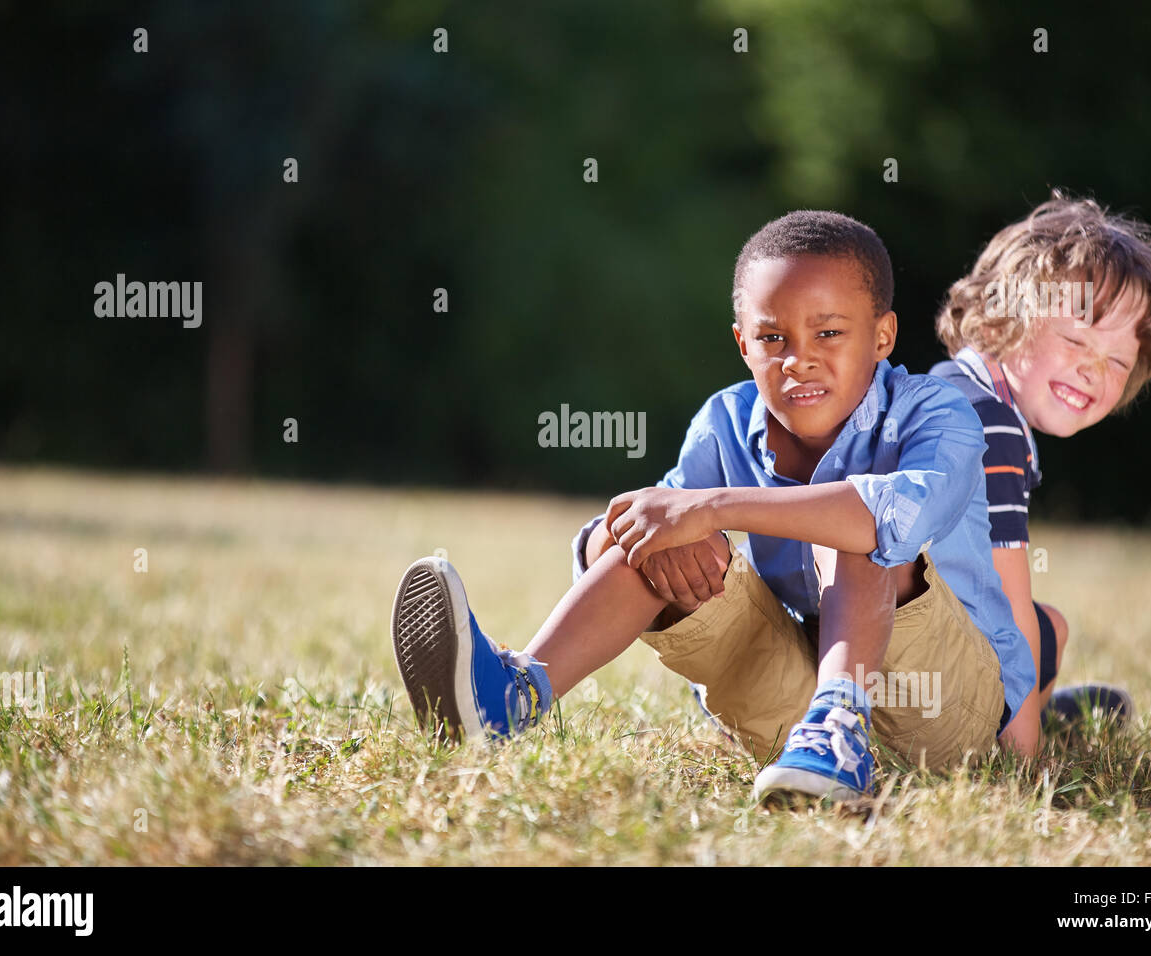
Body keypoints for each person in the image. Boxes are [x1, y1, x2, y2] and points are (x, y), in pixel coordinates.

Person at [390, 210, 1033, 802]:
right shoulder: (723, 421)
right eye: (773, 337)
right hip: (787, 709)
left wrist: (713, 508)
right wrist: (632, 536)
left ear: (883, 334)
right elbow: (653, 523)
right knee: (669, 541)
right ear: (742, 344)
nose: (798, 358)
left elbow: (886, 519)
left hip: (945, 714)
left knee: (851, 528)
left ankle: (840, 725)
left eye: (829, 332)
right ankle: (513, 698)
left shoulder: (938, 414)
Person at [930, 191, 1151, 755]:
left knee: (1048, 624)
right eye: (1076, 340)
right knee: (1041, 629)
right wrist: (1028, 764)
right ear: (1006, 319)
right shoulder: (994, 430)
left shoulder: (948, 386)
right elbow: (1008, 620)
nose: (1092, 371)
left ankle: (1024, 710)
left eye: (1116, 361)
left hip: (879, 634)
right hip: (907, 661)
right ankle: (1019, 728)